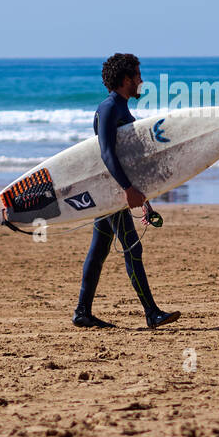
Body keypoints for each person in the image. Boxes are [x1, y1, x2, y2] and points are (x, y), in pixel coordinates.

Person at [73, 53, 181, 330]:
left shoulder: (119, 107)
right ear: (125, 80)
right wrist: (126, 189)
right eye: (137, 76)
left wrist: (142, 195)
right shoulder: (110, 108)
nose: (141, 81)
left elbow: (128, 157)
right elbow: (107, 154)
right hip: (112, 190)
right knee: (133, 247)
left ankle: (82, 312)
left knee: (98, 250)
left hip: (116, 189)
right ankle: (151, 313)